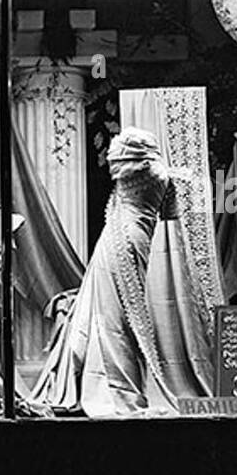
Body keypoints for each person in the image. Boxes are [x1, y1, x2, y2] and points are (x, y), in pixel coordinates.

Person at [34, 127, 181, 416]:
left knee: (121, 313)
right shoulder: (152, 169)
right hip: (121, 236)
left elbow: (167, 210)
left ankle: (119, 386)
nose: (114, 158)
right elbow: (171, 211)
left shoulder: (151, 169)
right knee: (111, 311)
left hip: (127, 236)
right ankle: (109, 384)